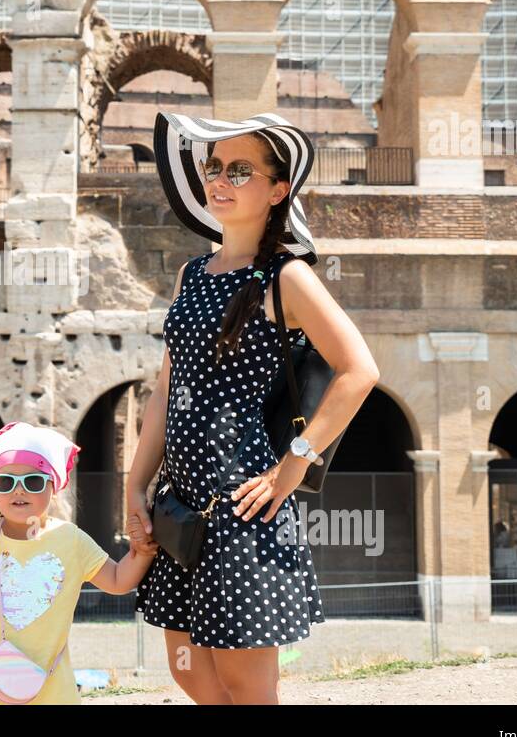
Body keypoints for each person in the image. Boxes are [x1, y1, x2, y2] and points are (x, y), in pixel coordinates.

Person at [125, 112, 380, 704]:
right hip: (180, 502)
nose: (221, 179)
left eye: (241, 170)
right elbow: (167, 388)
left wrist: (293, 464)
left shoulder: (285, 277)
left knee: (246, 685)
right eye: (214, 167)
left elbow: (360, 370)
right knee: (190, 671)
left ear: (276, 189)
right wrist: (135, 485)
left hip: (242, 508)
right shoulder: (193, 273)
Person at [0, 421, 156, 704]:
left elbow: (118, 581)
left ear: (53, 487)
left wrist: (142, 553)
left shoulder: (70, 540)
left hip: (49, 687)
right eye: (6, 482)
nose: (18, 491)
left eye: (32, 481)